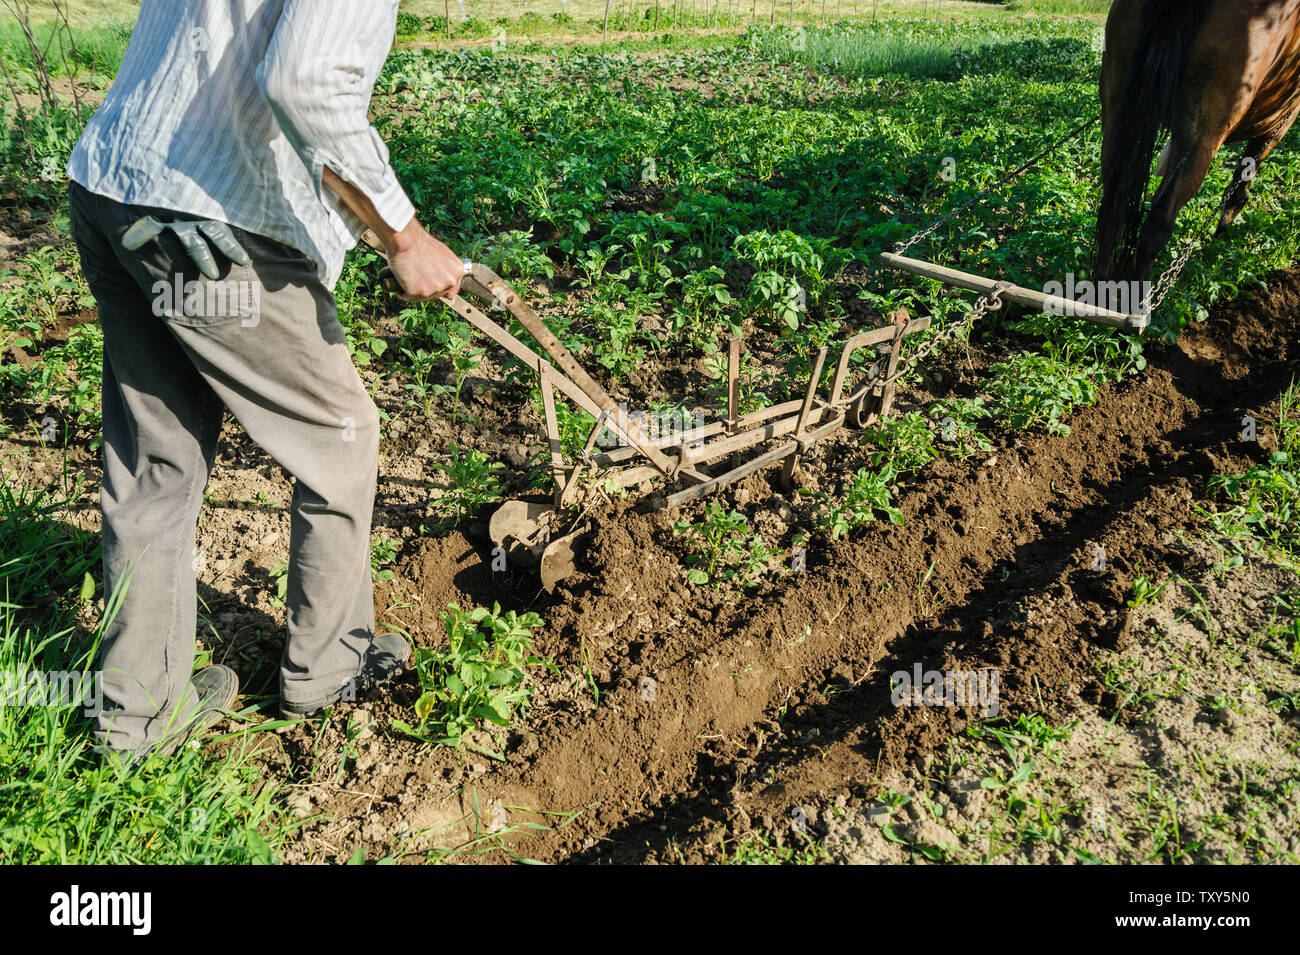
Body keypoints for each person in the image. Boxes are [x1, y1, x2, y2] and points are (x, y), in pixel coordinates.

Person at [65, 0, 461, 762]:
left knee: (156, 463)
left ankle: (138, 718)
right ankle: (331, 675)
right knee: (340, 439)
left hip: (114, 182)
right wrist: (403, 236)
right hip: (209, 217)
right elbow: (305, 80)